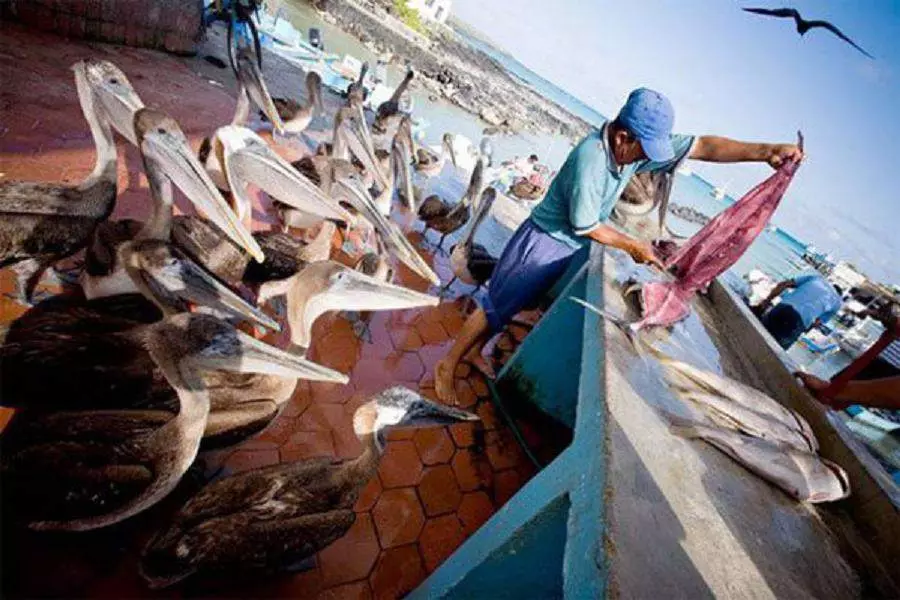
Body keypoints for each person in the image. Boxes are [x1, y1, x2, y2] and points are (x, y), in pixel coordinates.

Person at [434, 87, 803, 403]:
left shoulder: (629, 148)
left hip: (564, 246)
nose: (648, 159)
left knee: (509, 305)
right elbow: (588, 225)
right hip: (541, 241)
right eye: (645, 149)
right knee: (494, 304)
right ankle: (447, 363)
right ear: (623, 137)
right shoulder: (592, 157)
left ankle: (476, 352)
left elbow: (703, 145)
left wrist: (765, 150)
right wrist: (633, 246)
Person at [758, 272, 842, 349]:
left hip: (784, 307)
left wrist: (767, 301)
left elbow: (784, 284)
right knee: (776, 350)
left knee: (760, 331)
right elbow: (817, 323)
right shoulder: (837, 302)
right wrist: (805, 331)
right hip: (799, 321)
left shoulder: (816, 278)